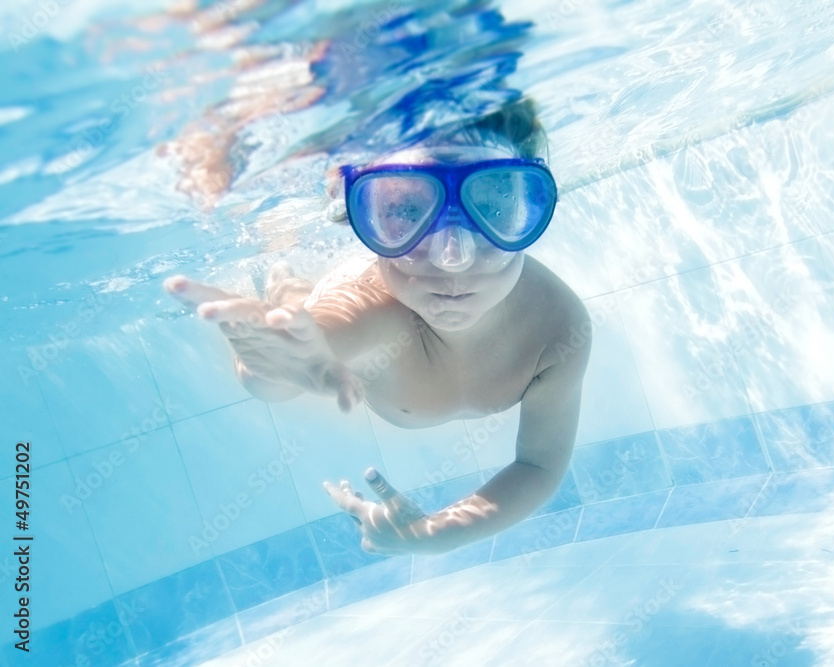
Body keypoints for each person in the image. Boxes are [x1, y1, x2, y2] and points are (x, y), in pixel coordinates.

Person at [163, 99, 591, 555]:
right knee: (300, 313)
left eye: (492, 206)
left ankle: (299, 287)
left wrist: (435, 536)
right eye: (407, 212)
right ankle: (290, 291)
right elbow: (291, 365)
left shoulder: (558, 327)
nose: (454, 258)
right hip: (336, 300)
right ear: (358, 217)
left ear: (531, 207)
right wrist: (273, 363)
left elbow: (540, 463)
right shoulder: (369, 310)